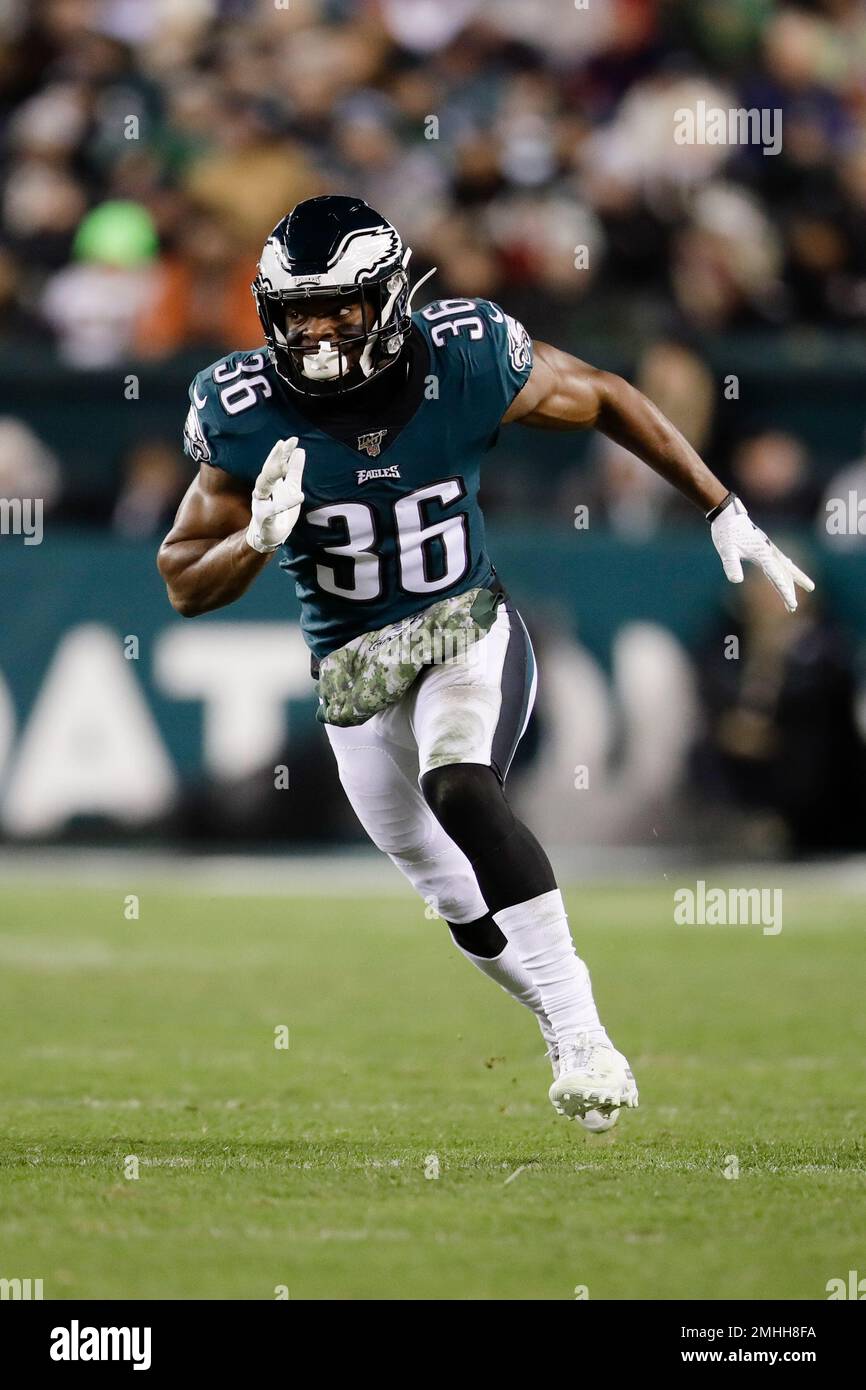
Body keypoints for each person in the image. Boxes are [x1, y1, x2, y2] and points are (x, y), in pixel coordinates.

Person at [157, 196, 813, 1131]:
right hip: (353, 673)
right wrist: (257, 539)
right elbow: (185, 582)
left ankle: (587, 1038)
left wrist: (720, 507)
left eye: (338, 304)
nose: (315, 327)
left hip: (462, 626)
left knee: (460, 786)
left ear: (385, 297)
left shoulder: (461, 358)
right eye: (296, 308)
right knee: (456, 900)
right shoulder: (244, 407)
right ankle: (566, 1024)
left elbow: (607, 395)